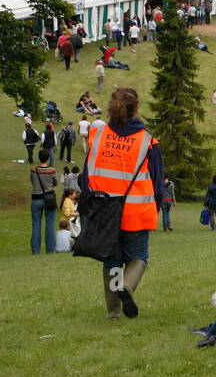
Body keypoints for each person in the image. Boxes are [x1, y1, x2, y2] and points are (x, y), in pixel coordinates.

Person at [79, 87, 166, 319]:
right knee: (139, 256)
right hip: (136, 212)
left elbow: (85, 176)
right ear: (136, 109)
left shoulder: (98, 136)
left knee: (112, 260)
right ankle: (127, 286)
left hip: (105, 211)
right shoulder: (148, 142)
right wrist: (154, 208)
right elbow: (158, 183)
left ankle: (113, 312)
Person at [30, 147, 59, 255]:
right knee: (50, 224)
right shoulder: (52, 171)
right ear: (48, 159)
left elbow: (32, 181)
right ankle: (50, 251)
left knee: (36, 225)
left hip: (36, 198)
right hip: (49, 198)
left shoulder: (34, 170)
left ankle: (36, 251)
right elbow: (55, 183)